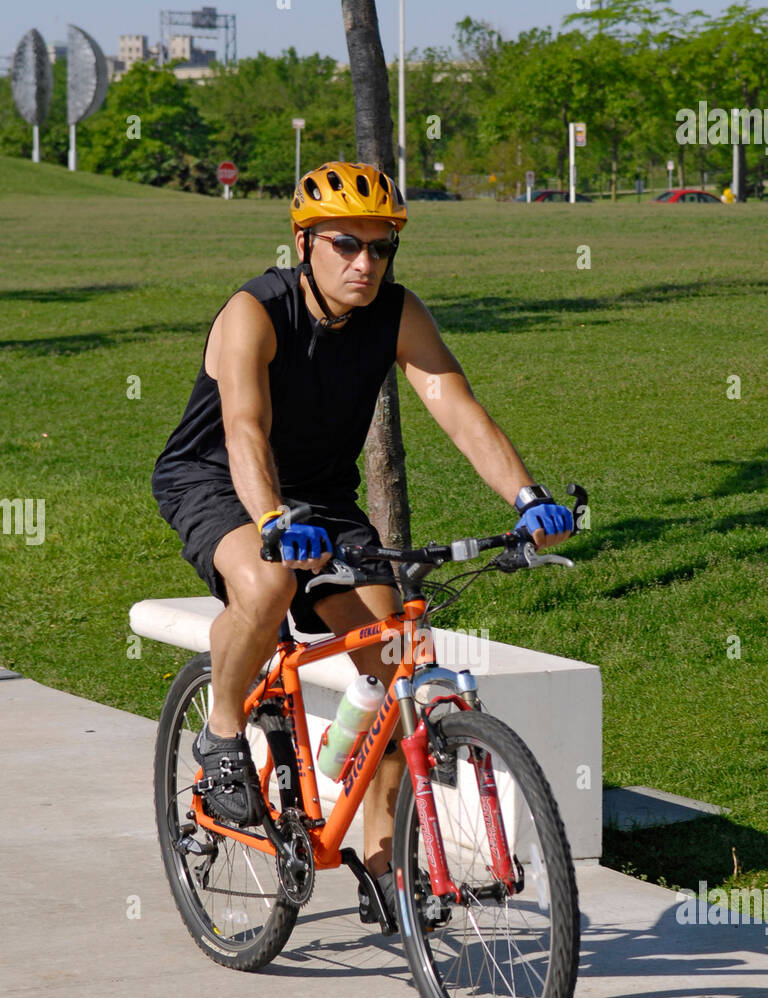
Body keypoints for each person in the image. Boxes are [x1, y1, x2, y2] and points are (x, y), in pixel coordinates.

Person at [152, 159, 573, 926]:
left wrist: (527, 495)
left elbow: (456, 405)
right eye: (347, 244)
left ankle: (381, 861)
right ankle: (220, 737)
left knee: (392, 659)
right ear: (304, 241)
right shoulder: (255, 310)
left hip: (322, 499)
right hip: (220, 480)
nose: (365, 264)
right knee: (270, 584)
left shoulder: (396, 312)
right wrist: (274, 519)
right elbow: (244, 428)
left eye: (381, 249)